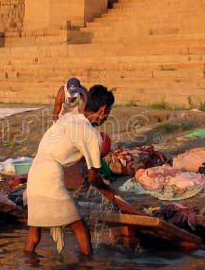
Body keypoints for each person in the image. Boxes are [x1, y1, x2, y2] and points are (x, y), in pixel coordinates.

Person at [25, 85, 135, 256]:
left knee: (34, 235)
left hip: (33, 175)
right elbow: (93, 177)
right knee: (81, 229)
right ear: (103, 109)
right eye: (109, 111)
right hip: (50, 177)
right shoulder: (91, 134)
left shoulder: (68, 118)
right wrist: (110, 193)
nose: (107, 116)